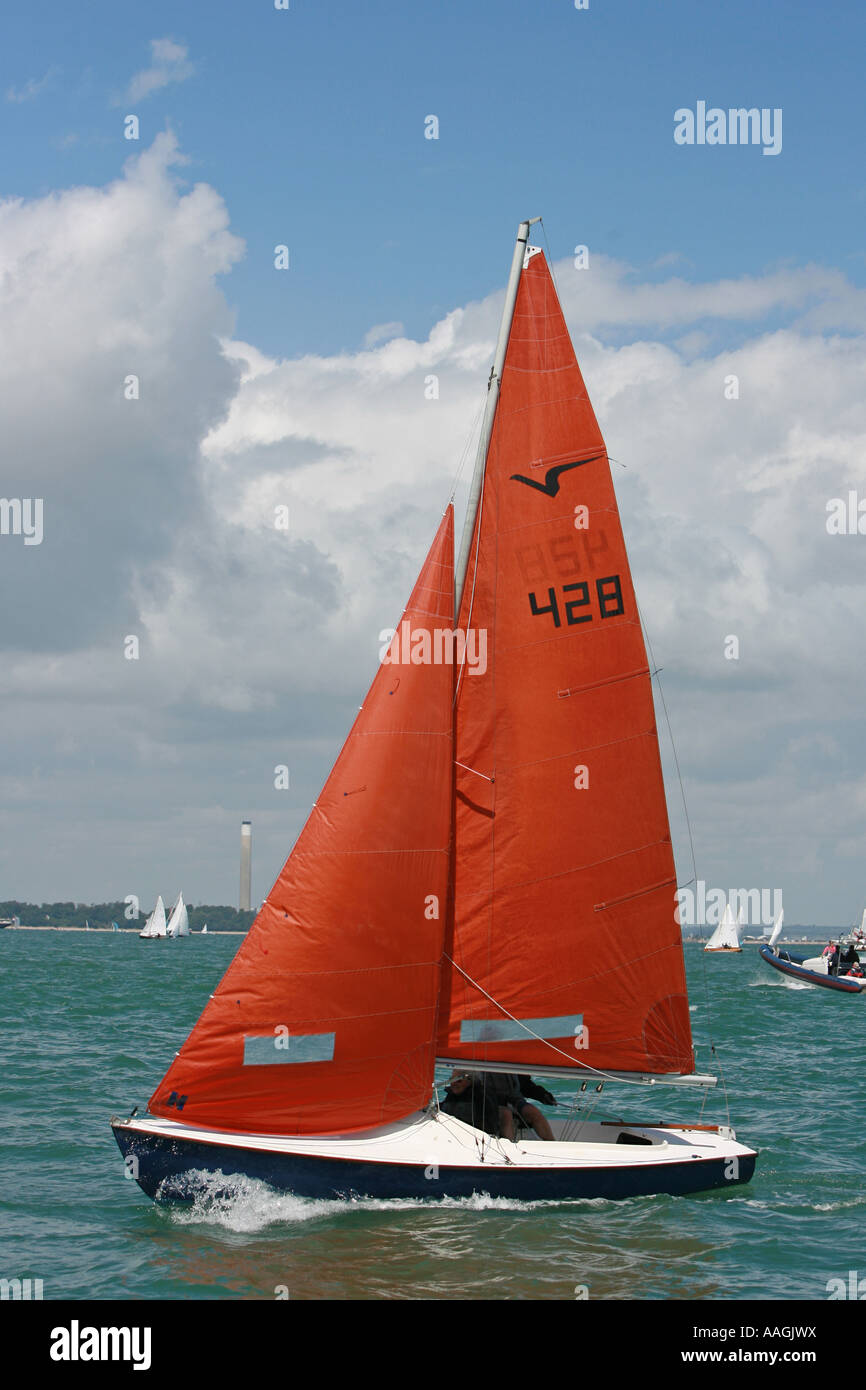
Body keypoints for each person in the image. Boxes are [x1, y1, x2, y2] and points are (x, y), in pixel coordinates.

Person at [480, 1072, 556, 1142]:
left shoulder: (513, 1062)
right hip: (489, 1102)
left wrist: (542, 1095)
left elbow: (525, 1085)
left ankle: (553, 1144)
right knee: (506, 1114)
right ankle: (509, 1148)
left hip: (514, 1100)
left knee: (533, 1112)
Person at [439, 1071, 501, 1137]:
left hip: (473, 1137)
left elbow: (487, 1126)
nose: (453, 1083)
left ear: (470, 1081)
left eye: (459, 1081)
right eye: (451, 1080)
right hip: (452, 1132)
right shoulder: (454, 1094)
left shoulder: (481, 1097)